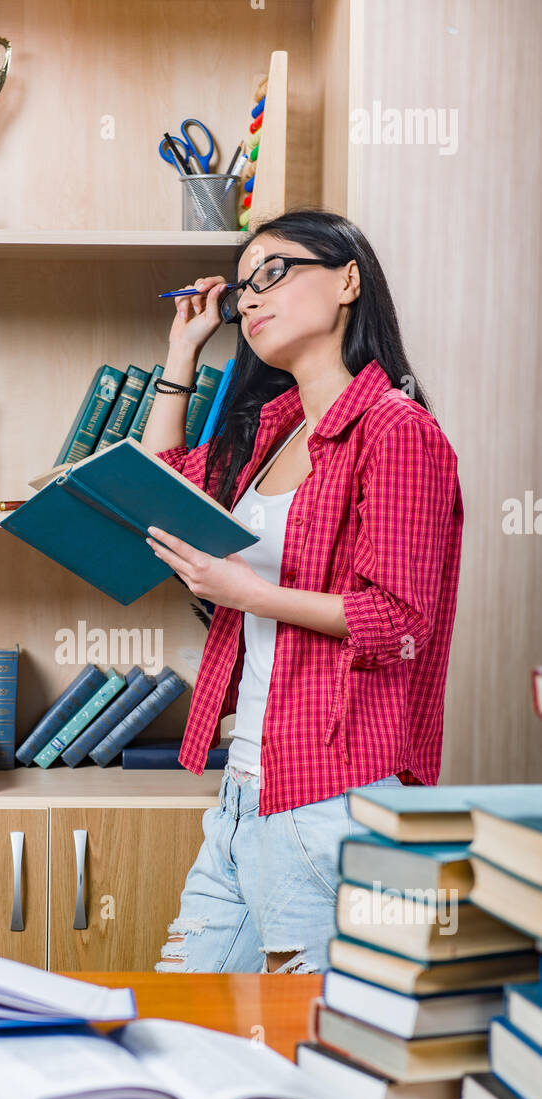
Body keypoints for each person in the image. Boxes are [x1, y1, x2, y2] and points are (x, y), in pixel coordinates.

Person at [140, 209, 463, 975]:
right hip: (243, 794)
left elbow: (397, 623)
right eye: (242, 287)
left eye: (273, 273)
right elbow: (159, 499)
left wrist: (249, 592)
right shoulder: (272, 431)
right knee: (187, 1016)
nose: (249, 299)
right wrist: (182, 352)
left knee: (308, 1059)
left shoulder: (397, 431)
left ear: (348, 279)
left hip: (329, 802)